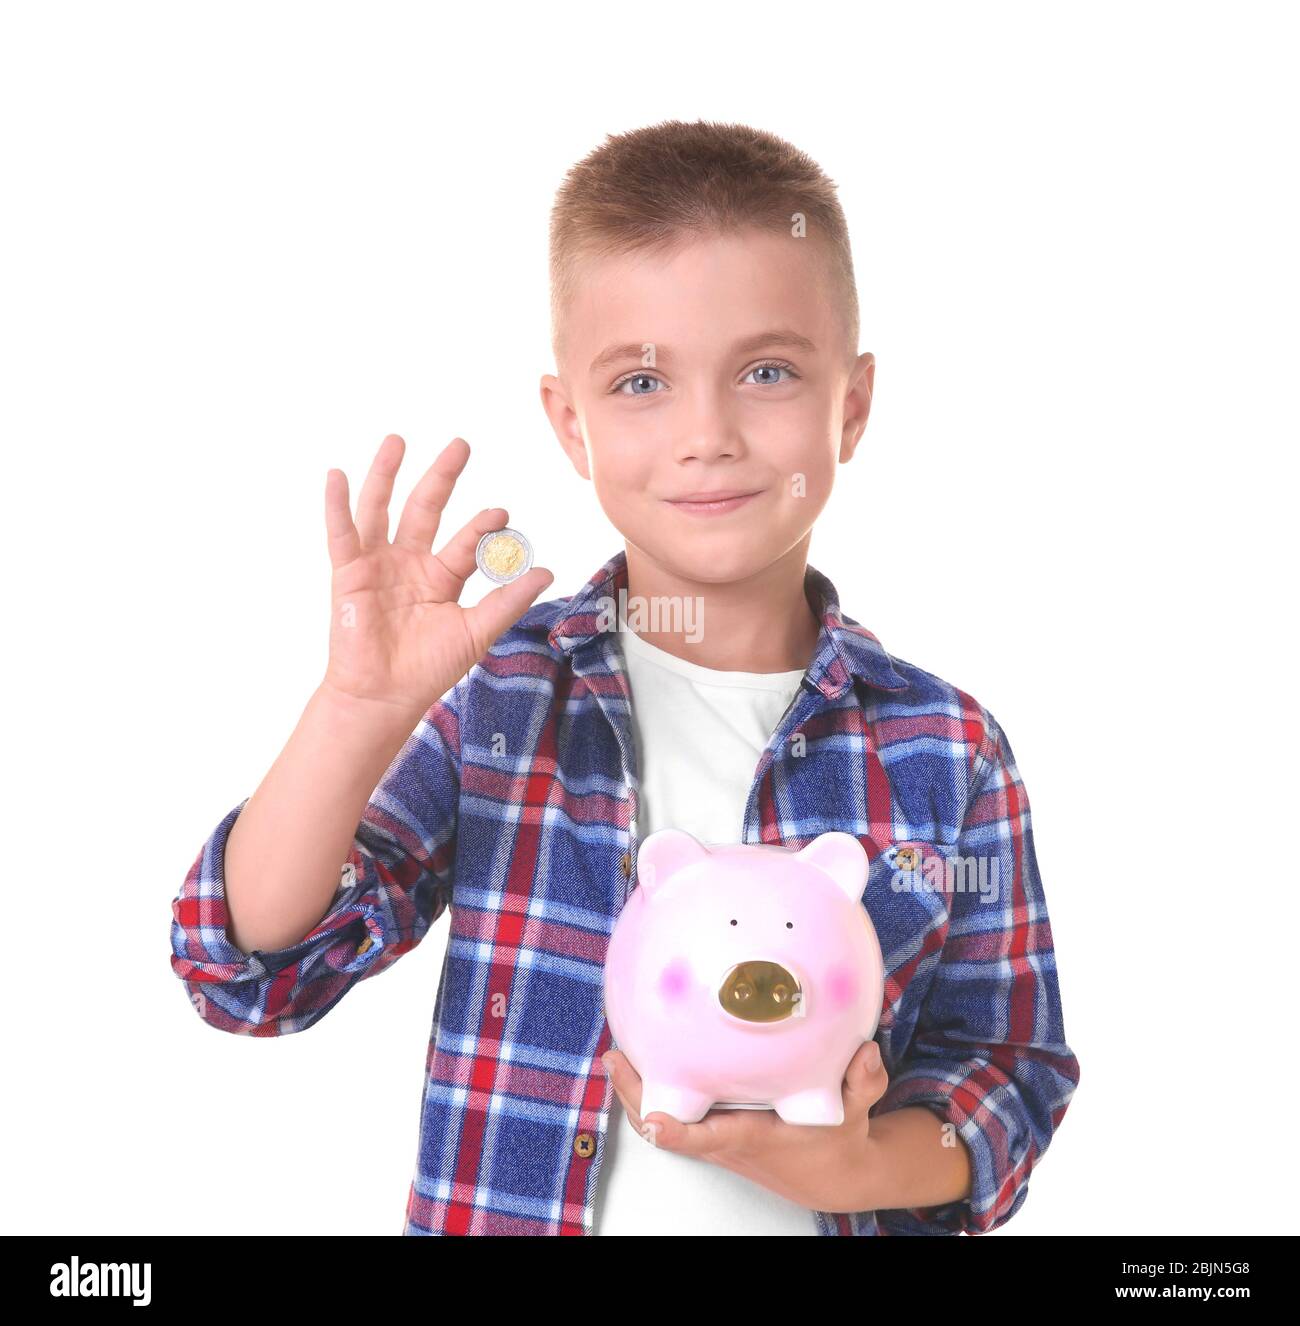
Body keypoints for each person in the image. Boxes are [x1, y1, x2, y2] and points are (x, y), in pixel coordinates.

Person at [169, 118, 1080, 1236]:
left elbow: (1008, 1069)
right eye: (642, 380)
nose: (707, 434)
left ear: (851, 404)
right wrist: (355, 710)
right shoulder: (512, 698)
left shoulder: (945, 750)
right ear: (570, 424)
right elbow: (250, 968)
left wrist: (853, 1168)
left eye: (766, 371)